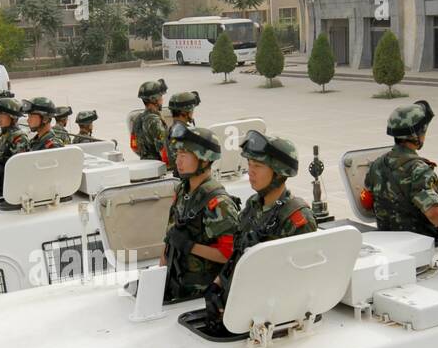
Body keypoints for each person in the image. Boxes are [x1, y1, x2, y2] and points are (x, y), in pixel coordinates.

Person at [204, 131, 316, 328]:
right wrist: (217, 285)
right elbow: (237, 255)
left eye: (257, 166)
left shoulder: (297, 219)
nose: (251, 172)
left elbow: (303, 283)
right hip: (239, 311)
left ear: (279, 172)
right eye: (249, 165)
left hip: (270, 320)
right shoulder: (253, 207)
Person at [161, 123, 241, 303]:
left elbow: (229, 255)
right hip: (177, 287)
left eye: (184, 155)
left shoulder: (219, 204)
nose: (178, 161)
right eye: (178, 154)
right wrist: (160, 277)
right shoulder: (183, 190)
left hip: (201, 296)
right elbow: (170, 240)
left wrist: (190, 246)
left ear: (204, 160)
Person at [362, 99, 438, 239]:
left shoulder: (377, 164)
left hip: (386, 240)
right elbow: (434, 215)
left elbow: (366, 201)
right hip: (420, 243)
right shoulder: (420, 170)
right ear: (417, 135)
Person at [0, 97, 29, 198]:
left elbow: (20, 169)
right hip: (0, 188)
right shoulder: (4, 136)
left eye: (2, 115)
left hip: (12, 191)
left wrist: (3, 169)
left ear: (12, 118)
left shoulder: (19, 138)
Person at [132, 79, 169, 167]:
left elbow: (134, 146)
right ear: (154, 99)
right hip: (157, 167)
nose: (162, 99)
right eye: (160, 96)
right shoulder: (155, 120)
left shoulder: (138, 118)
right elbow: (163, 149)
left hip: (144, 164)